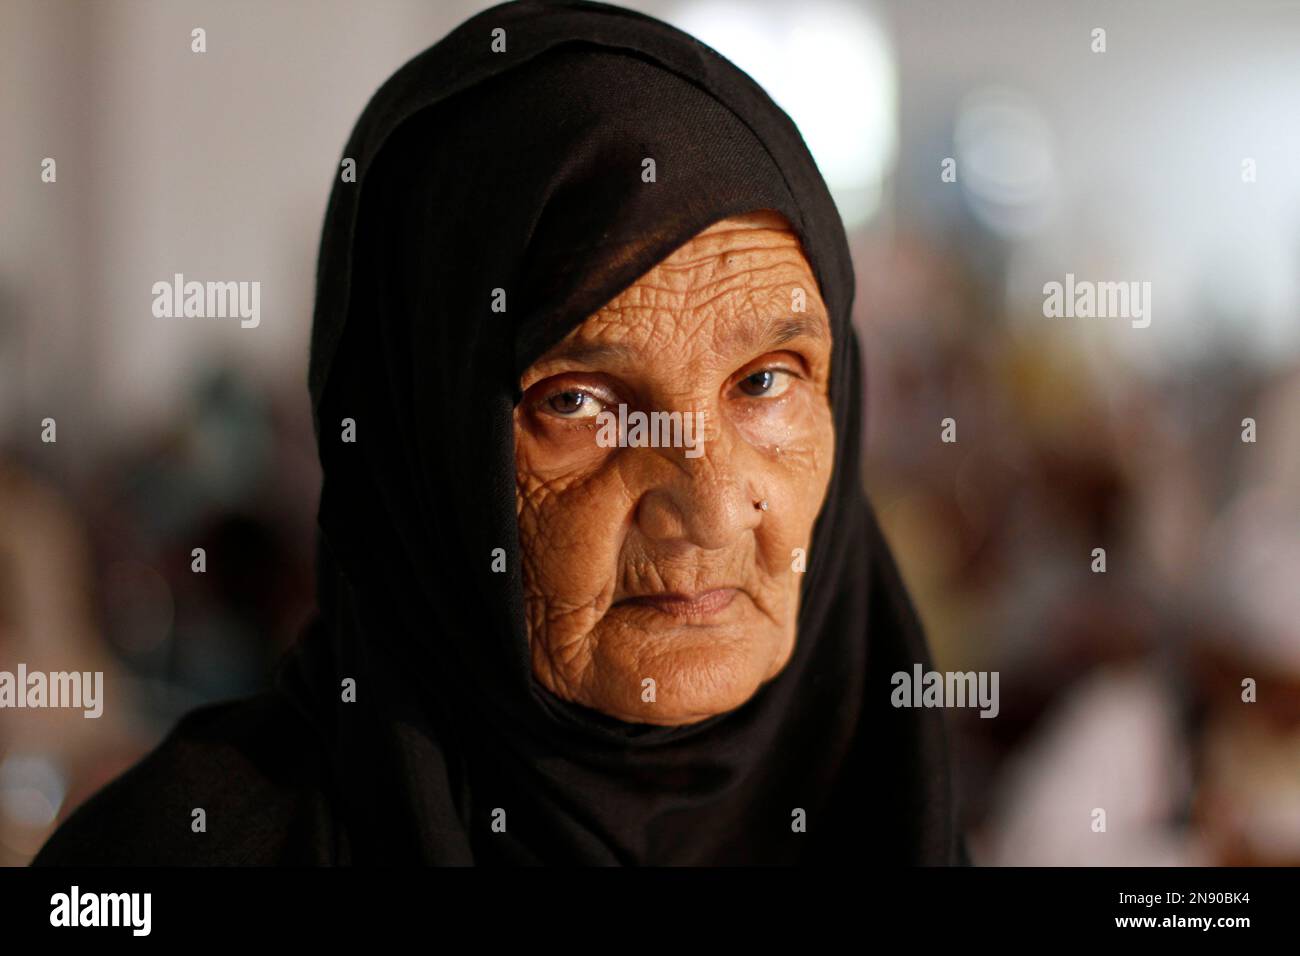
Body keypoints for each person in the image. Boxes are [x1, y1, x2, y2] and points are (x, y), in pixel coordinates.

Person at [33, 0, 961, 865]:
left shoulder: (889, 802)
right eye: (577, 403)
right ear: (418, 445)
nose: (713, 512)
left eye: (764, 382)